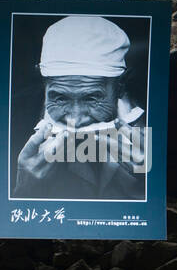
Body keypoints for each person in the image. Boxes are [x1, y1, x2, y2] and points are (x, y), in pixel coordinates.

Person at [13, 14, 149, 201]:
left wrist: (150, 180)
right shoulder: (14, 124)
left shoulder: (153, 127)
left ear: (120, 87)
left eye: (92, 98)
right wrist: (25, 188)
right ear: (44, 85)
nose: (75, 120)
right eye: (60, 98)